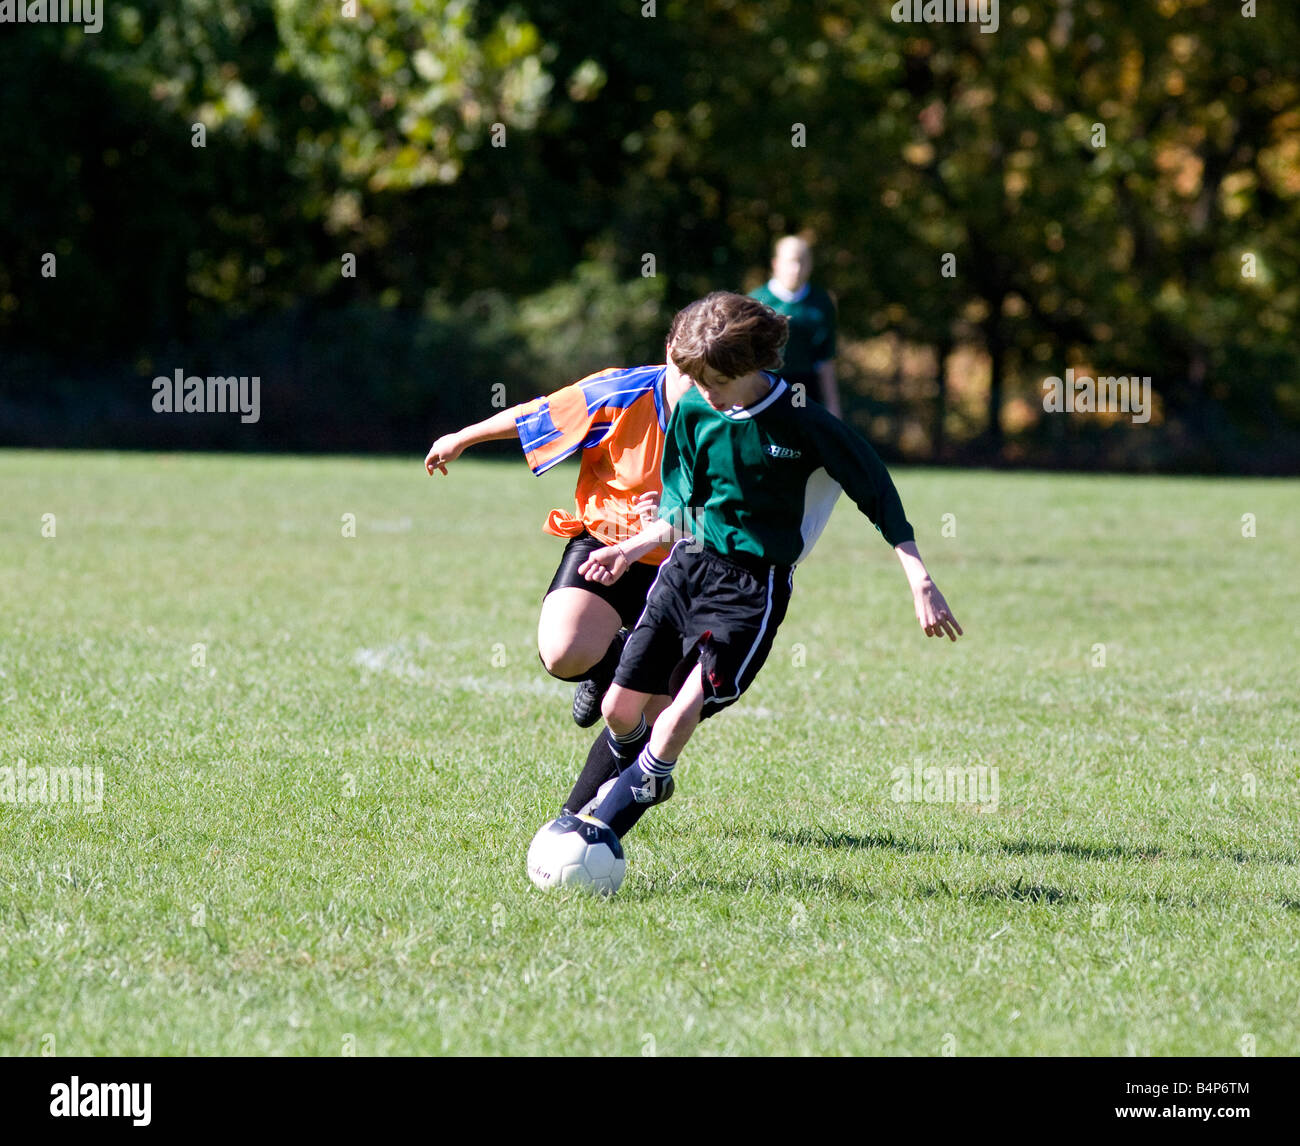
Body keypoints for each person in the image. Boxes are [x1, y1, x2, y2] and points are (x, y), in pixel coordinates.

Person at [573, 292, 962, 840]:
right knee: (617, 706)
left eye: (710, 381)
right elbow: (684, 509)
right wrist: (629, 549)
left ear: (750, 367)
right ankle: (634, 786)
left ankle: (595, 830)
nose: (699, 391)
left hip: (752, 587)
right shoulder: (692, 409)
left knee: (680, 713)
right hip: (687, 567)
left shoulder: (801, 420)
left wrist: (917, 575)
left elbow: (874, 488)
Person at [424, 361, 691, 742]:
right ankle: (611, 660)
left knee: (653, 716)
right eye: (690, 368)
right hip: (606, 543)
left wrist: (672, 516)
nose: (701, 382)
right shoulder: (619, 392)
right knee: (563, 654)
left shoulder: (731, 412)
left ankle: (606, 796)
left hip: (687, 560)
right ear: (671, 352)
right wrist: (462, 438)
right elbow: (540, 413)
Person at [749, 235, 842, 417]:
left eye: (802, 262)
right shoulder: (756, 301)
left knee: (797, 429)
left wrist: (833, 404)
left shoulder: (821, 302)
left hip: (801, 385)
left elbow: (825, 358)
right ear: (776, 264)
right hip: (763, 382)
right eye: (791, 262)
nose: (797, 269)